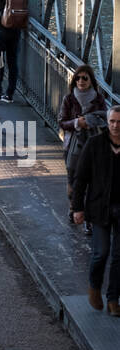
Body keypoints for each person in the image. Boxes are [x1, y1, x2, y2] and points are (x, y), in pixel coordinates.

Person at [71, 105, 120, 316]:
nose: (116, 126)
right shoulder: (95, 144)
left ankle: (113, 299)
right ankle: (94, 286)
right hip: (99, 207)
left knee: (119, 257)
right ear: (107, 122)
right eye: (112, 122)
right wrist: (77, 208)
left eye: (119, 122)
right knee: (101, 253)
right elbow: (80, 179)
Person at [59, 64, 107, 225]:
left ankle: (87, 217)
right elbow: (62, 122)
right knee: (73, 179)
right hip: (72, 144)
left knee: (92, 179)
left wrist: (92, 121)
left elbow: (106, 119)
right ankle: (73, 209)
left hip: (93, 143)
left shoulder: (98, 98)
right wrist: (77, 122)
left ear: (91, 81)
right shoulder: (69, 98)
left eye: (85, 78)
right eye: (78, 78)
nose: (81, 81)